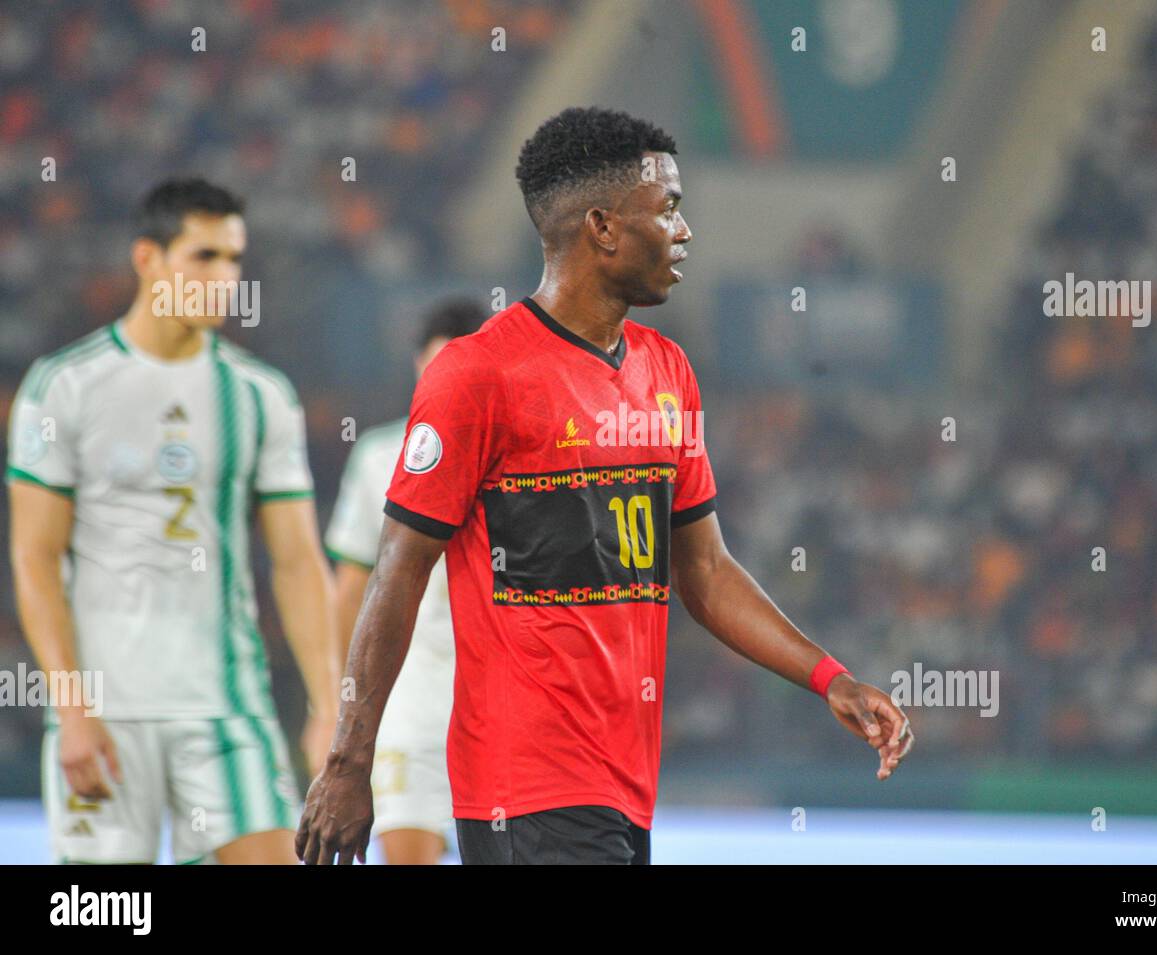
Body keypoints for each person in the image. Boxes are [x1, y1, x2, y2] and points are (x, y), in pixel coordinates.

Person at [297, 107, 913, 866]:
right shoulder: (479, 375)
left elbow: (707, 572)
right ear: (603, 227)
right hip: (525, 786)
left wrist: (829, 677)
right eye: (669, 209)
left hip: (624, 782)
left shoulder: (667, 372)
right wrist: (349, 766)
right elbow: (396, 572)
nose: (684, 231)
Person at [8, 178, 338, 864]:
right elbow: (34, 557)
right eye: (205, 257)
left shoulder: (260, 396)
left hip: (226, 707)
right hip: (106, 709)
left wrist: (328, 702)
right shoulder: (63, 385)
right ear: (148, 260)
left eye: (234, 259)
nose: (225, 278)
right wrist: (71, 710)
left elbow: (299, 561)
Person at [324, 298, 485, 864]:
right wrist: (337, 701)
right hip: (406, 698)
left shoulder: (518, 456)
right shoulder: (379, 455)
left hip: (493, 700)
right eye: (438, 367)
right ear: (419, 367)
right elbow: (350, 589)